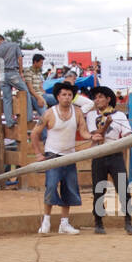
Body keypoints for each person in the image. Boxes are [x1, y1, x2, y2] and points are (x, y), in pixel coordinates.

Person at [30, 80, 88, 235]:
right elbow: (34, 133)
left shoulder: (77, 112)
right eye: (64, 94)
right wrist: (38, 153)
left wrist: (93, 136)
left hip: (69, 156)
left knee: (69, 188)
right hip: (52, 154)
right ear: (57, 96)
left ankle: (64, 223)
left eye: (70, 95)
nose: (67, 97)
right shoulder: (49, 113)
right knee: (50, 186)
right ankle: (46, 221)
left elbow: (83, 132)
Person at [86, 85, 132, 235]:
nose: (98, 100)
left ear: (108, 99)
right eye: (96, 97)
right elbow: (98, 135)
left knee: (123, 188)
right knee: (98, 190)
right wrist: (106, 124)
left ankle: (128, 221)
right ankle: (98, 222)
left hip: (115, 154)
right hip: (99, 154)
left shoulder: (119, 115)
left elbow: (127, 133)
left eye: (101, 97)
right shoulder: (91, 116)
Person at [0, 33, 29, 128]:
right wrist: (20, 72)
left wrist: (0, 76)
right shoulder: (14, 45)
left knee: (6, 99)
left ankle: (9, 122)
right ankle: (28, 117)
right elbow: (20, 59)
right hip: (13, 73)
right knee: (25, 91)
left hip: (3, 75)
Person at [21, 52, 51, 121]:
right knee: (45, 116)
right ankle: (44, 131)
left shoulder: (39, 71)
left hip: (42, 94)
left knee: (59, 99)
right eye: (41, 63)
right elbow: (30, 89)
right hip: (34, 96)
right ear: (35, 62)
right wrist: (39, 98)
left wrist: (43, 92)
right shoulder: (28, 71)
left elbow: (40, 85)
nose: (42, 65)